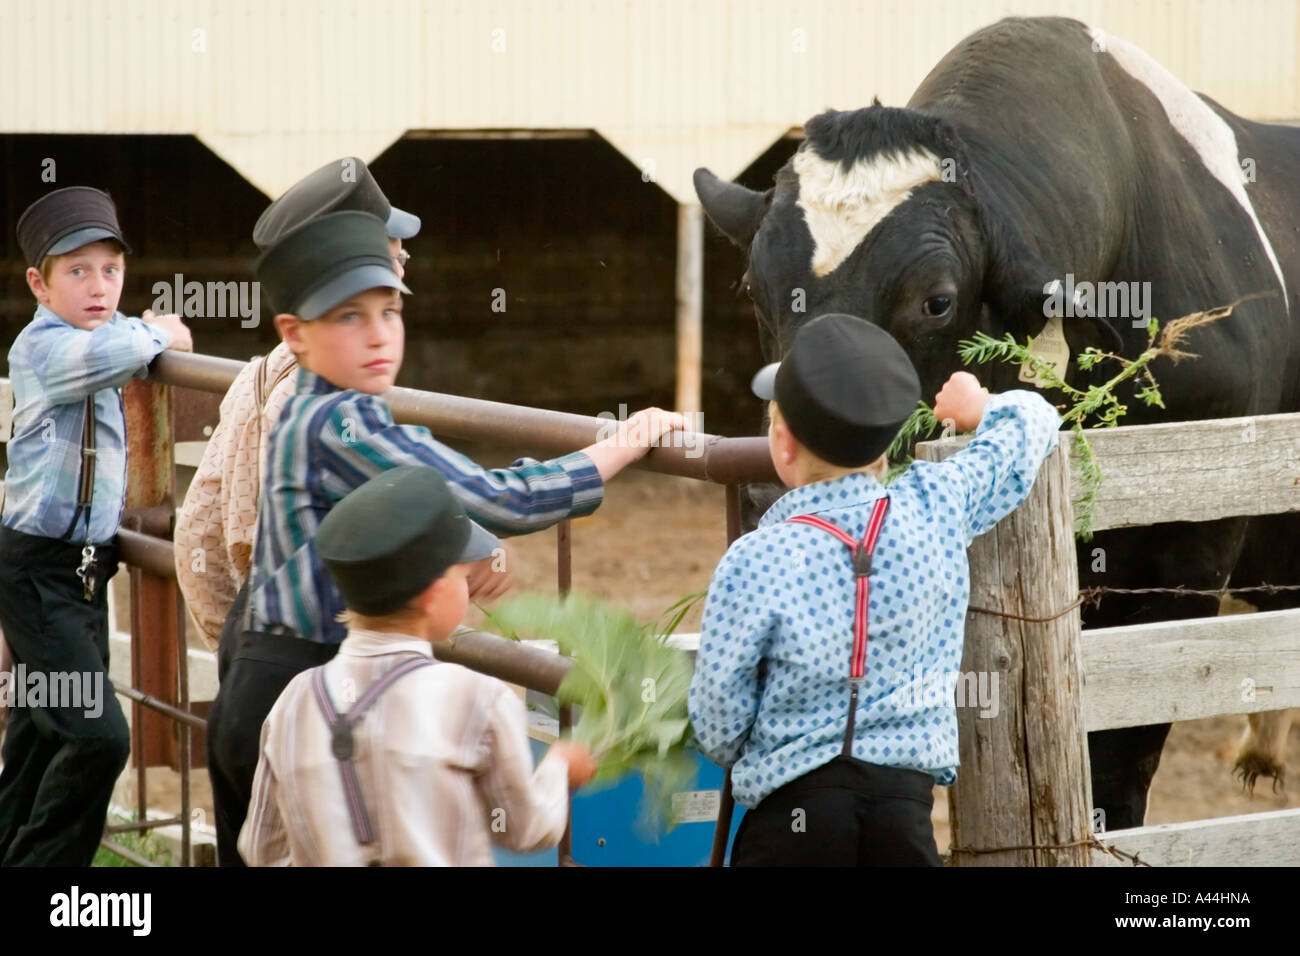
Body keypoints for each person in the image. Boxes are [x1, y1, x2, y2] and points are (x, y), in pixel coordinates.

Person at [206, 209, 683, 865]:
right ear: (296, 335)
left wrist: (463, 539)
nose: (378, 335)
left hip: (272, 673)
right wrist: (619, 445)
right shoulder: (347, 423)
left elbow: (409, 498)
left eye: (389, 312)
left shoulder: (316, 410)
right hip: (302, 672)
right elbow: (493, 497)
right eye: (349, 317)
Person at [688, 312, 1061, 866]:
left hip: (788, 828)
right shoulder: (938, 503)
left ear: (782, 444)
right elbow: (1035, 419)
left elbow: (718, 723)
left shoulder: (755, 558)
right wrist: (979, 407)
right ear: (888, 440)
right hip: (901, 824)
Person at [239, 465, 597, 865]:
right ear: (434, 593)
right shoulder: (478, 697)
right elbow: (526, 829)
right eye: (463, 575)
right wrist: (560, 770)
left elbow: (260, 848)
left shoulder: (295, 699)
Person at [0, 186, 192, 865]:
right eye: (76, 271)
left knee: (38, 728)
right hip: (38, 566)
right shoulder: (45, 348)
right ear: (39, 284)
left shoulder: (103, 336)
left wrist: (137, 334)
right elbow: (109, 358)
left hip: (86, 564)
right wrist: (161, 333)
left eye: (110, 270)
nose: (98, 286)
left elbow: (115, 350)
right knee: (97, 736)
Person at [175, 157, 423, 662]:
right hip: (311, 644)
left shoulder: (256, 377)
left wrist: (232, 642)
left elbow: (196, 531)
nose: (404, 265)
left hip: (252, 633)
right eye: (392, 255)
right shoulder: (324, 400)